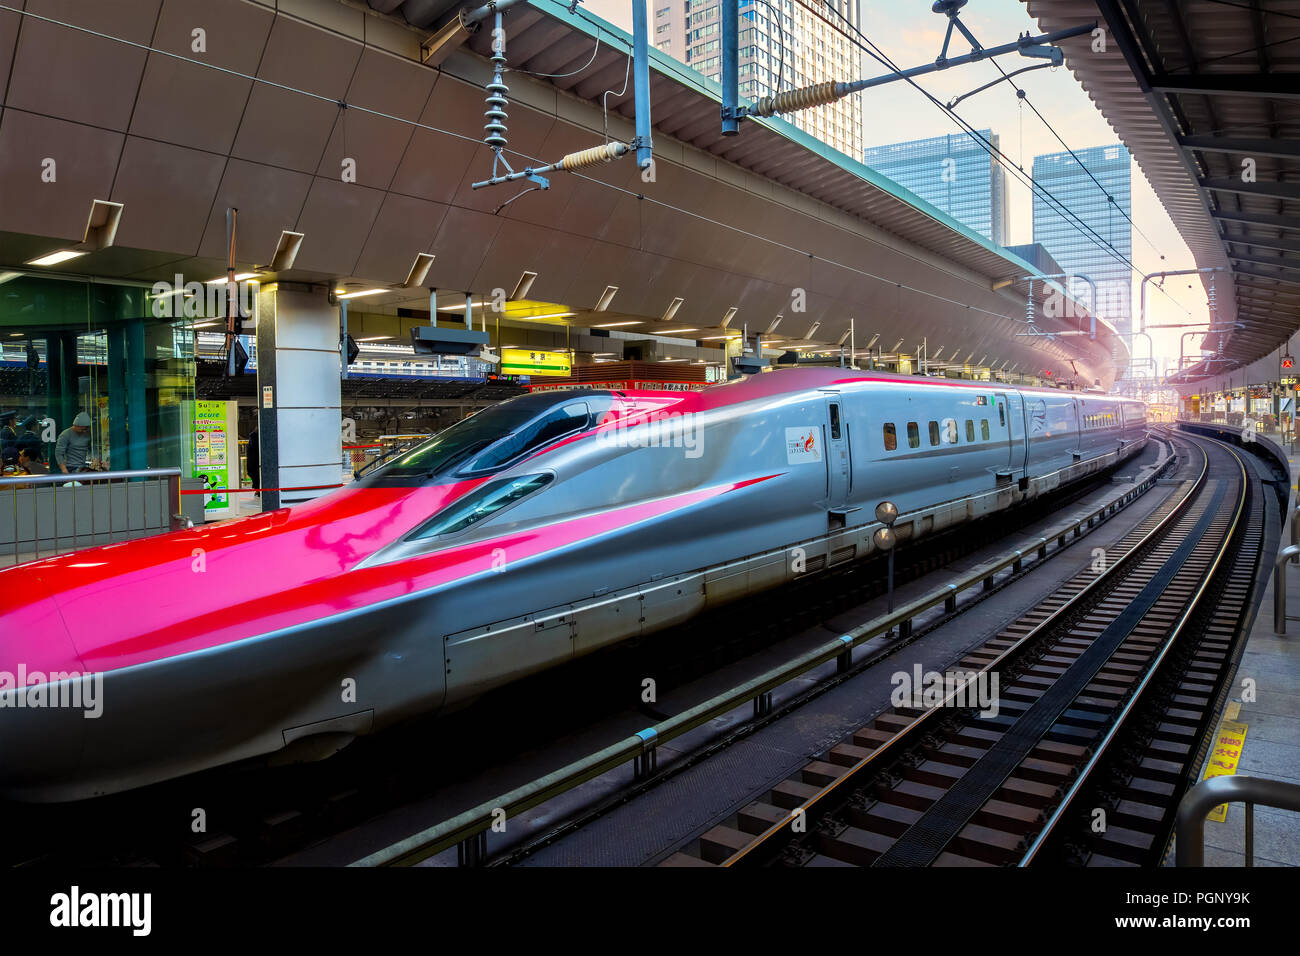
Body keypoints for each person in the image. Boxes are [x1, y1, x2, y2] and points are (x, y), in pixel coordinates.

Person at [245, 426, 260, 498]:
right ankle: (258, 490)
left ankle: (257, 490)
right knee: (256, 475)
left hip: (253, 461)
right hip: (255, 461)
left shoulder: (252, 436)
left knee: (255, 475)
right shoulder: (254, 437)